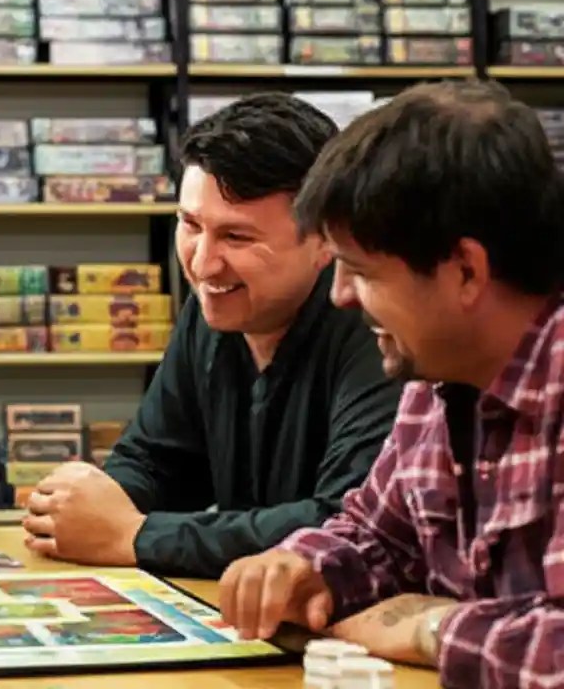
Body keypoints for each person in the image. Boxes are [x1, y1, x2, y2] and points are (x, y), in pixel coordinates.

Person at [219, 81, 564, 687]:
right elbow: (379, 536)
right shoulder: (436, 375)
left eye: (361, 272)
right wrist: (306, 567)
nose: (339, 297)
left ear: (465, 271)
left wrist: (433, 628)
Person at [22, 93, 403, 578]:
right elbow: (158, 459)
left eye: (236, 237)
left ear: (325, 240)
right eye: (190, 225)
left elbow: (346, 525)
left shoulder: (380, 326)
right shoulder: (217, 305)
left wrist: (134, 536)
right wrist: (87, 505)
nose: (203, 264)